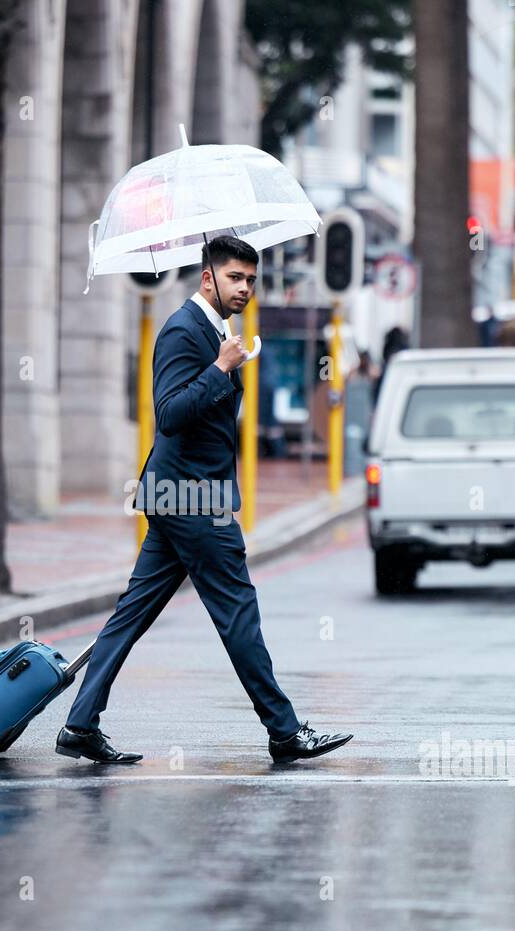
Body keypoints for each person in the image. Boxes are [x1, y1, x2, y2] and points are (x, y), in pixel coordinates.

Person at [56, 235, 354, 765]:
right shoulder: (181, 330)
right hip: (194, 500)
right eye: (235, 278)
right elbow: (168, 413)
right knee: (238, 612)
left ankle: (79, 725)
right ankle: (284, 730)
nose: (245, 289)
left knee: (131, 616)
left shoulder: (216, 331)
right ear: (207, 277)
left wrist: (224, 363)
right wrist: (220, 370)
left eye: (251, 280)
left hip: (181, 496)